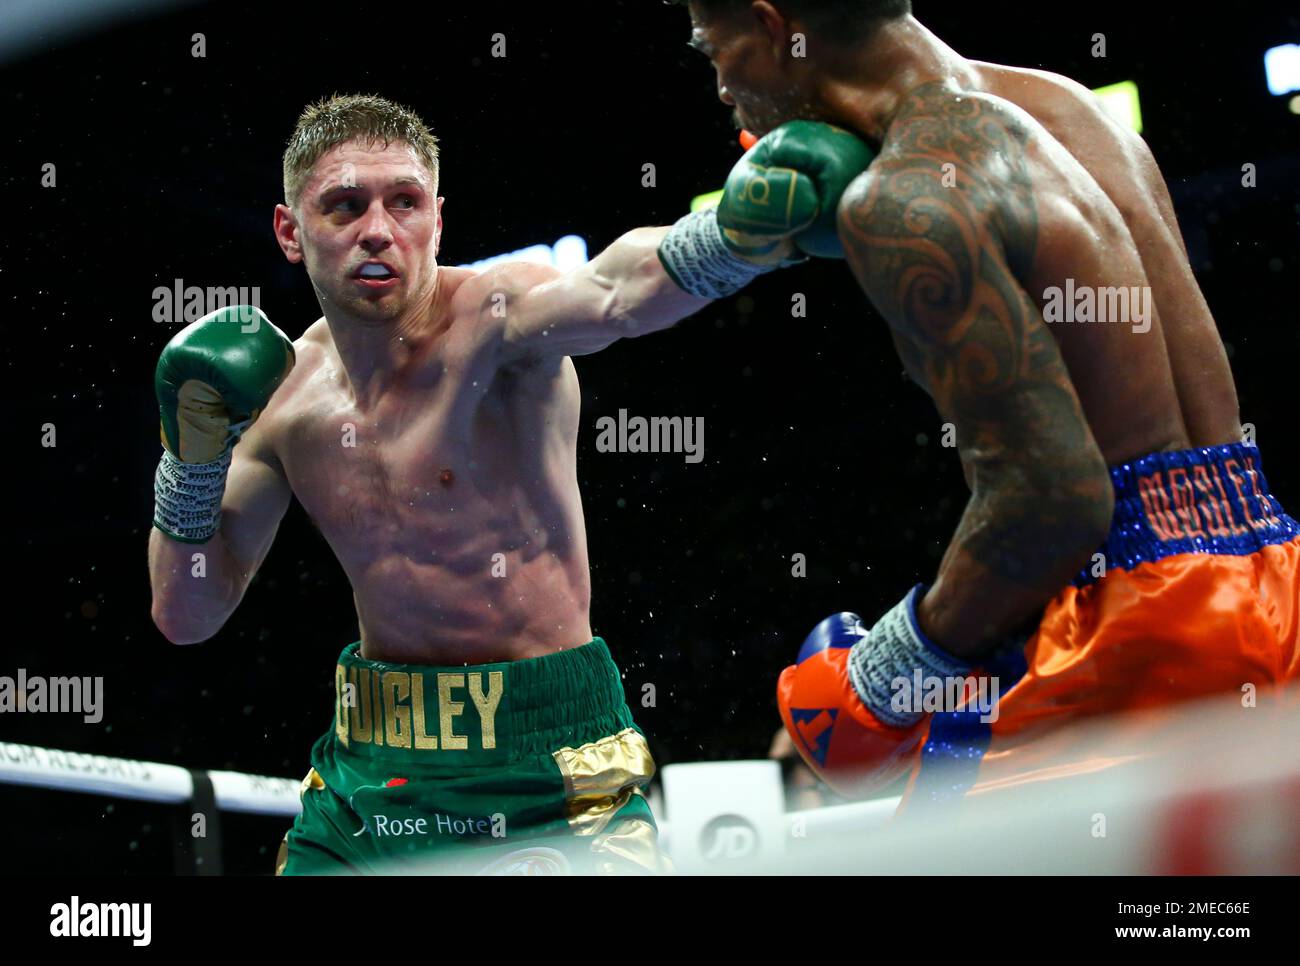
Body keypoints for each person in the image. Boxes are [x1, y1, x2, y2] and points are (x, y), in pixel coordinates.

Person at [146, 93, 865, 873]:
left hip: (550, 757)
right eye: (345, 207)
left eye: (405, 203)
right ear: (291, 230)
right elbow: (187, 614)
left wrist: (735, 232)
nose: (378, 230)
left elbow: (618, 291)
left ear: (438, 220)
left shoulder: (498, 321)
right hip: (375, 771)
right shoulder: (279, 402)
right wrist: (190, 462)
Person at [673, 0, 1300, 805]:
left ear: (770, 25)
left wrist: (887, 674)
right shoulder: (1069, 106)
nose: (718, 82)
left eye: (709, 45)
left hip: (1136, 630)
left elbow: (1054, 502)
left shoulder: (903, 199)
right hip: (1266, 569)